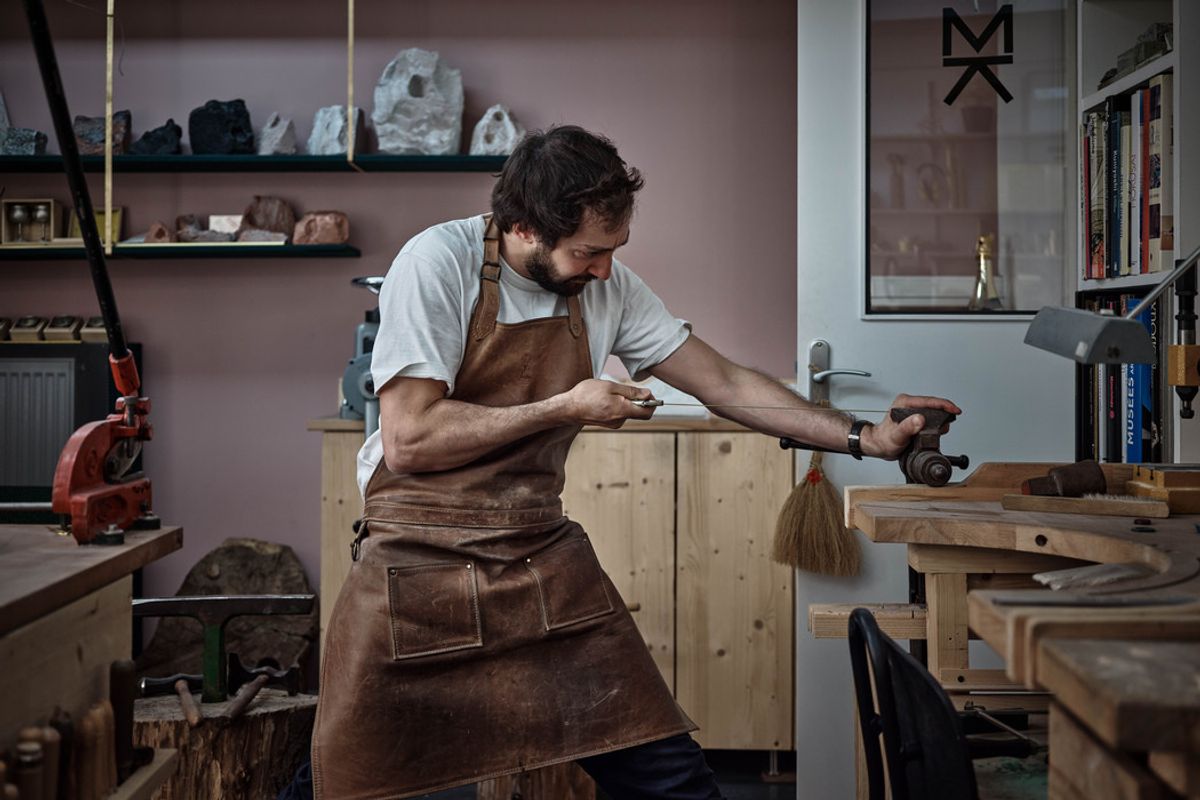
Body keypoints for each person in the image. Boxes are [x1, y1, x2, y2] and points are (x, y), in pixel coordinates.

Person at [302, 125, 960, 800]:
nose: (605, 271)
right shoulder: (438, 261)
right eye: (589, 253)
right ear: (524, 226)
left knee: (669, 777)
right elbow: (409, 437)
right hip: (417, 558)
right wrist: (561, 407)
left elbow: (726, 385)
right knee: (348, 776)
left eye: (613, 251)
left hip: (535, 554)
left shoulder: (605, 288)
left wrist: (864, 437)